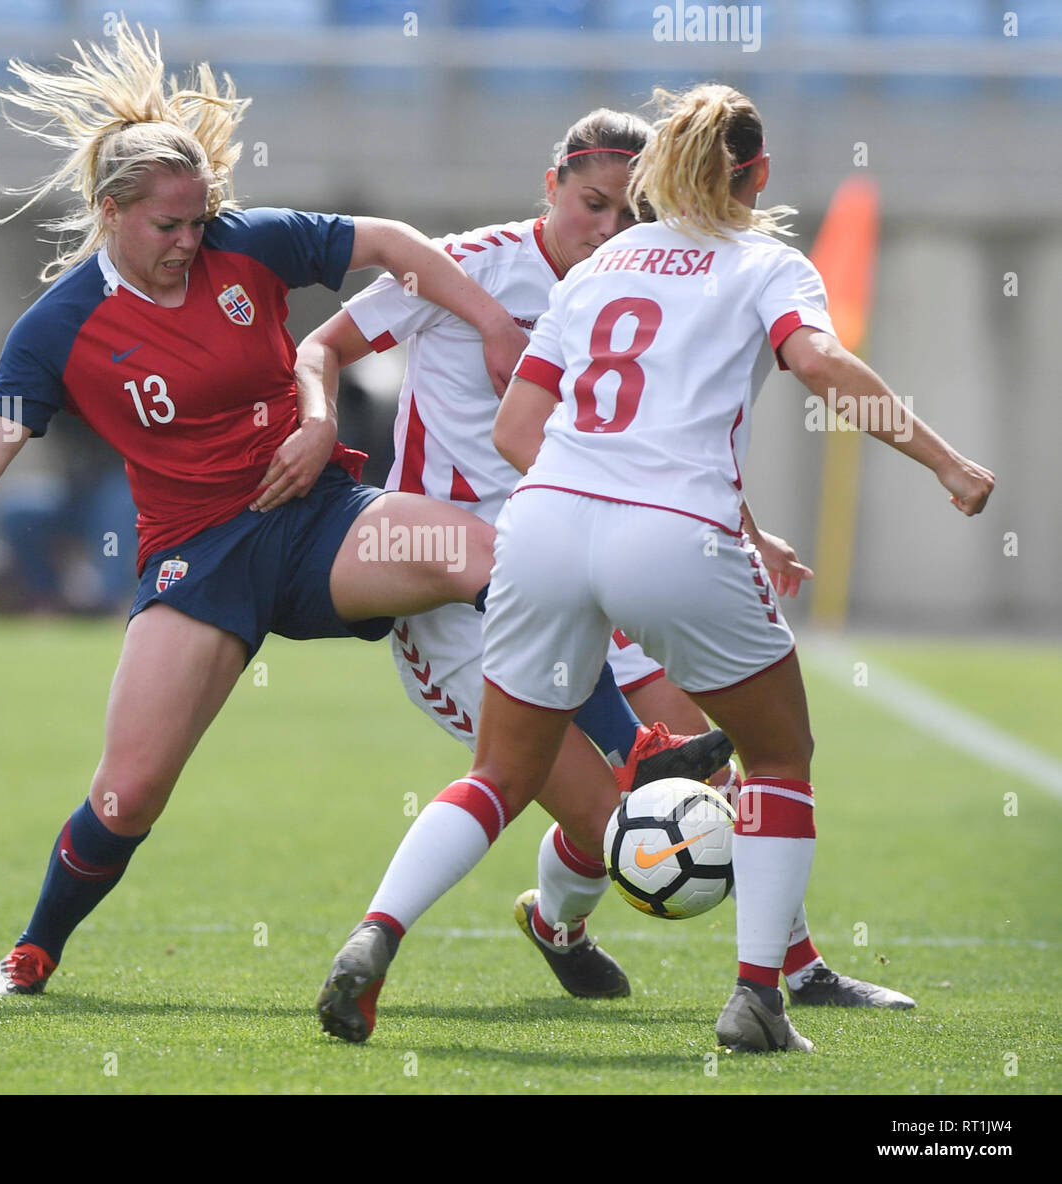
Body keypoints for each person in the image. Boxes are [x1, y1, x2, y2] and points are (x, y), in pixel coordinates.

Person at [0, 22, 715, 998]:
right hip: (198, 560)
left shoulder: (246, 246)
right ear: (112, 211)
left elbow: (389, 245)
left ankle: (640, 747)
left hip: (321, 520)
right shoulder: (61, 325)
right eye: (168, 226)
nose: (189, 242)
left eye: (200, 222)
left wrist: (485, 323)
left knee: (495, 555)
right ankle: (33, 949)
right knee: (128, 792)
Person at [316, 83, 994, 1053]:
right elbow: (821, 366)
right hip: (672, 537)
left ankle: (373, 932)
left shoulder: (601, 263)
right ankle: (759, 996)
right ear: (756, 175)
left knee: (500, 772)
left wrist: (589, 500)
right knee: (774, 756)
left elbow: (517, 427)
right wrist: (944, 460)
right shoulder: (766, 262)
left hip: (542, 527)